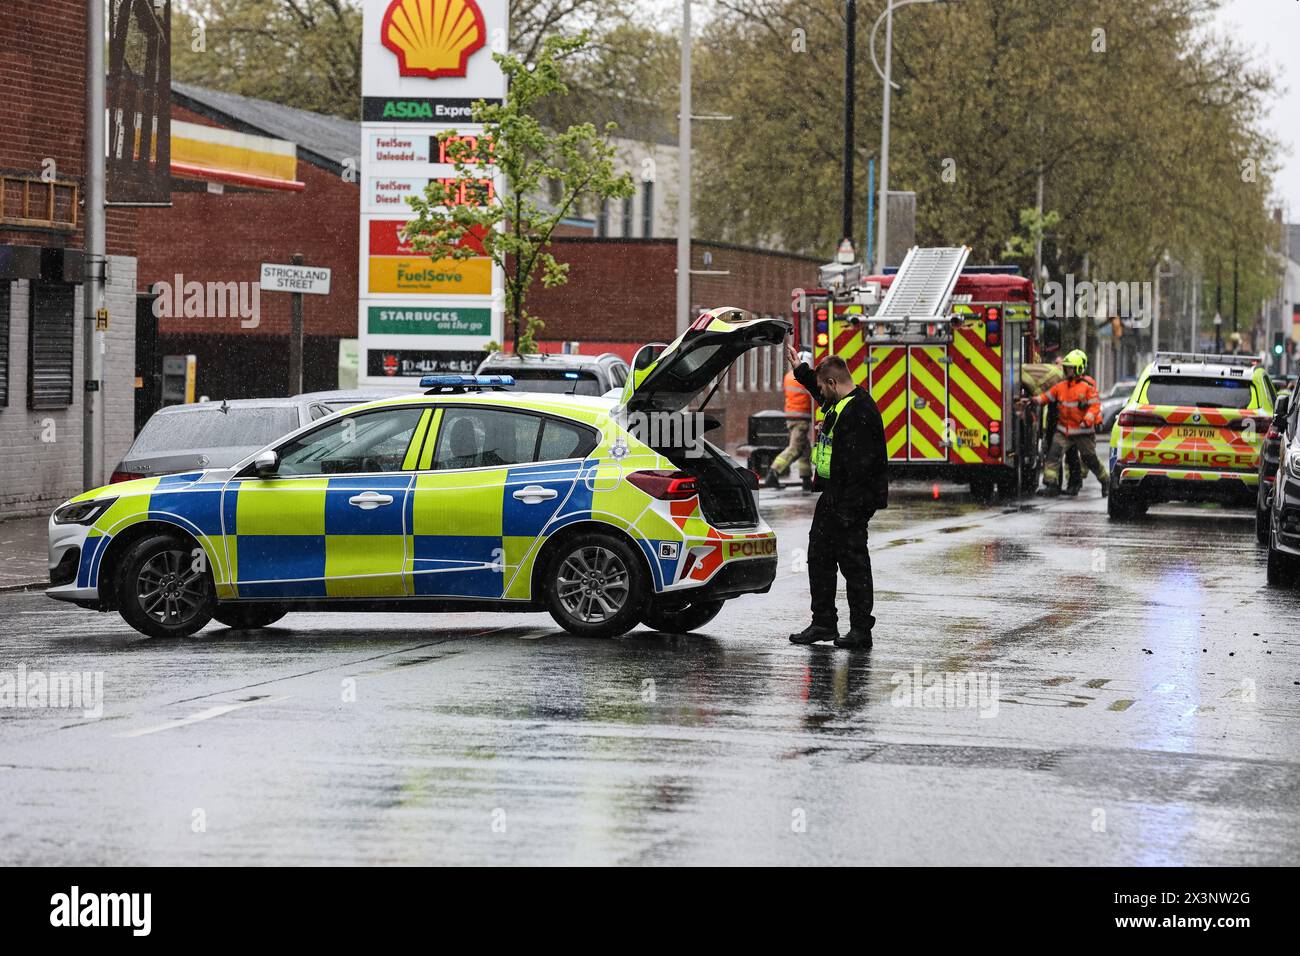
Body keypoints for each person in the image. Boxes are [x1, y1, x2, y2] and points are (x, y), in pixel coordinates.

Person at [783, 343, 888, 649]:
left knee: (853, 564)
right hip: (832, 496)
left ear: (832, 383)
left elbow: (863, 468)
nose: (820, 395)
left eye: (821, 387)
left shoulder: (861, 411)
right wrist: (802, 372)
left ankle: (860, 631)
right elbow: (821, 395)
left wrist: (848, 511)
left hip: (851, 501)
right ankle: (823, 623)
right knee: (819, 558)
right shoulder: (841, 402)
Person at [1021, 348, 1109, 497]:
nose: (1066, 370)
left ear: (1078, 369)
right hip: (1064, 431)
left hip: (1083, 432)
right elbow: (1046, 397)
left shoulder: (1087, 388)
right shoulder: (1061, 386)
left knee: (1090, 459)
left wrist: (1088, 420)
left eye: (1069, 368)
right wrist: (1033, 400)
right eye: (1066, 367)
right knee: (1053, 455)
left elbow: (1095, 407)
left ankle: (1106, 481)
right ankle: (1051, 485)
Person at [766, 350, 814, 493]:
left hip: (792, 416)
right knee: (794, 448)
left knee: (805, 449)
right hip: (801, 418)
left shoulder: (789, 376)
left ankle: (806, 479)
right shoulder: (804, 378)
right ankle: (773, 474)